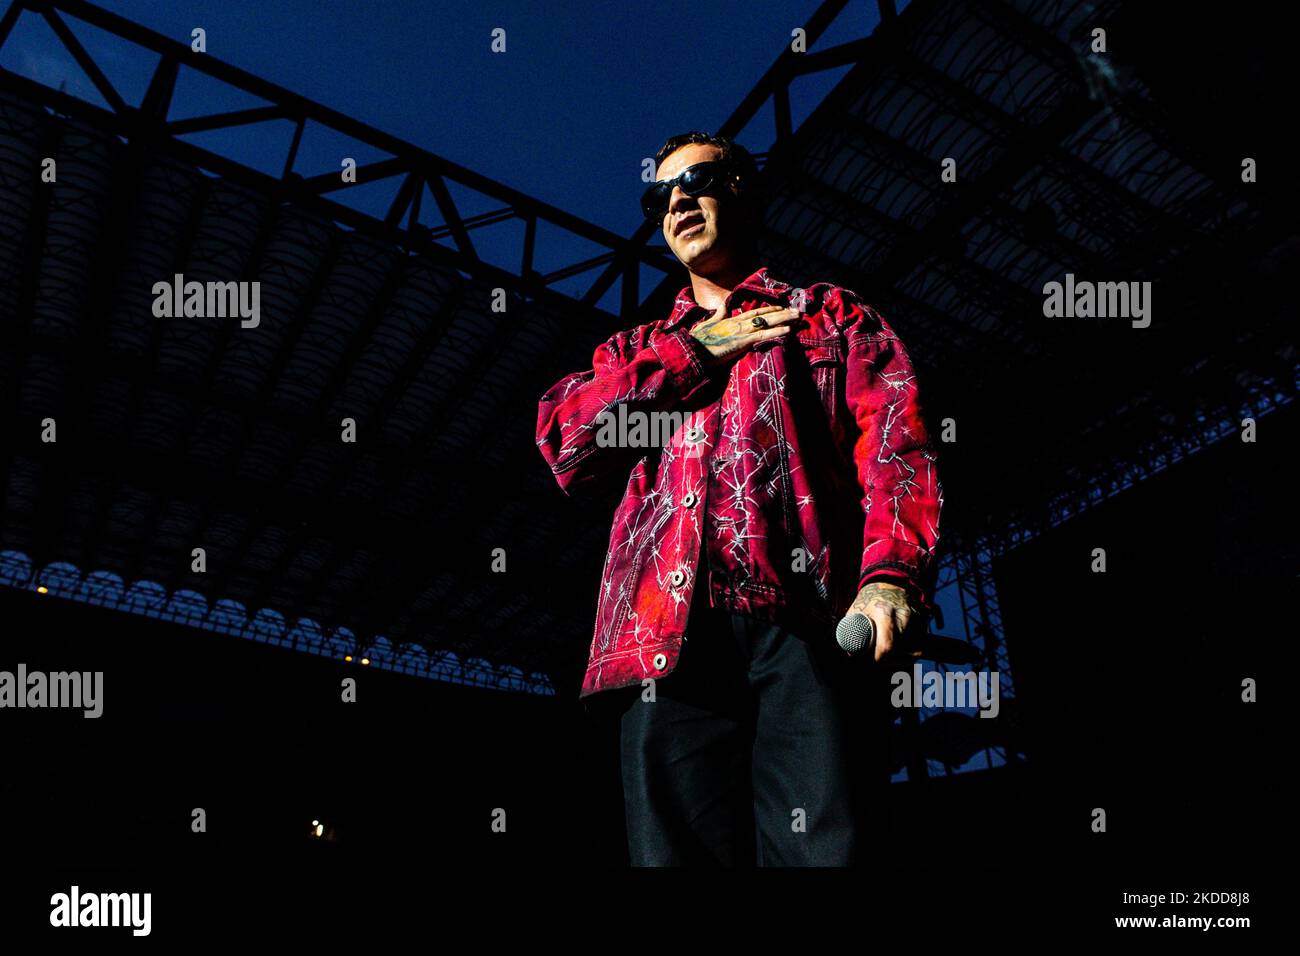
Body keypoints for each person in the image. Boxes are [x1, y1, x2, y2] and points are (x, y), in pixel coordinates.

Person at [535, 131, 943, 866]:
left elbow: (896, 449)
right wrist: (700, 351)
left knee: (824, 854)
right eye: (658, 196)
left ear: (744, 191)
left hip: (805, 622)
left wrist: (888, 578)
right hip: (663, 645)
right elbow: (572, 448)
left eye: (698, 179)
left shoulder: (830, 318)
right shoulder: (629, 356)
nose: (677, 200)